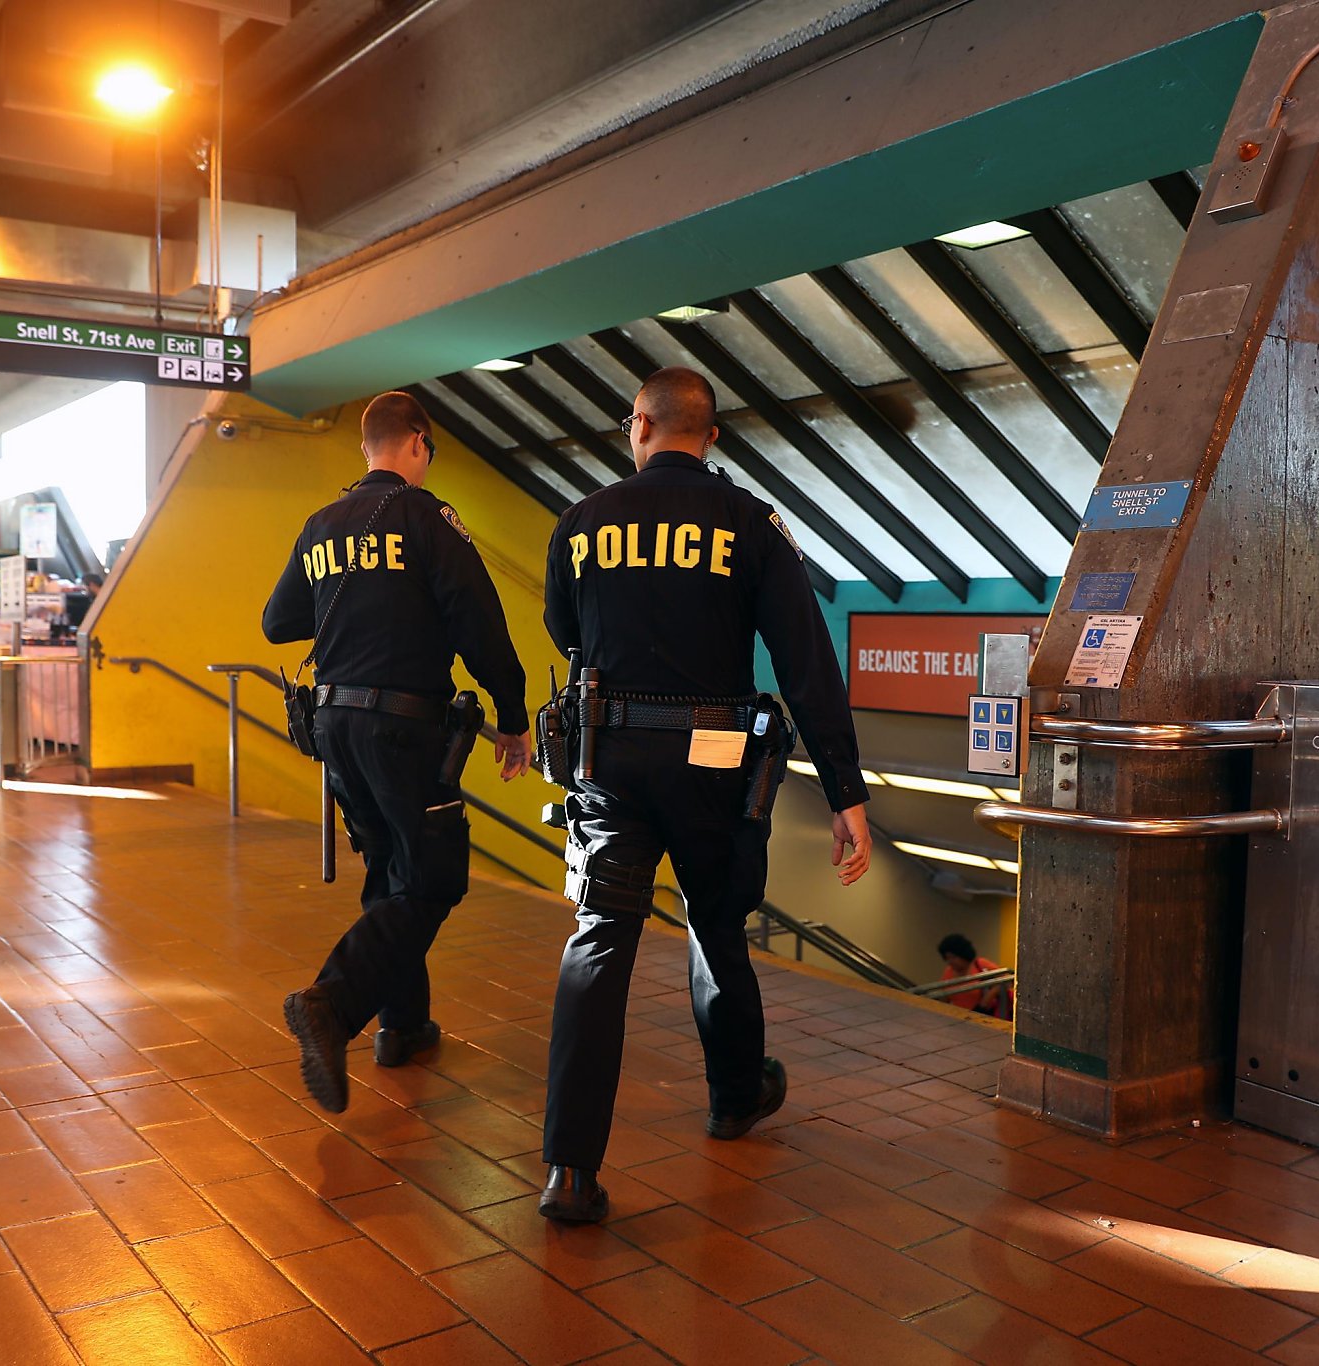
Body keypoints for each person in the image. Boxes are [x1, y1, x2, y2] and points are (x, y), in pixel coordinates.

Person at [536, 366, 873, 1223]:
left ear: (637, 424)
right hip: (715, 758)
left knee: (600, 938)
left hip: (608, 758)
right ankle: (732, 1096)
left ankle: (570, 1172)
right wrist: (846, 791)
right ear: (711, 434)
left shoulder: (581, 523)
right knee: (715, 921)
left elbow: (563, 630)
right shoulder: (751, 524)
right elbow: (805, 661)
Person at [263, 391, 531, 1112]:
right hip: (405, 730)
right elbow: (479, 621)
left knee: (390, 866)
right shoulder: (427, 516)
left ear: (365, 448)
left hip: (335, 728)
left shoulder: (322, 524)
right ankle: (333, 1002)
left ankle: (401, 1026)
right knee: (434, 880)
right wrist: (513, 714)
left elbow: (277, 621)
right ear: (417, 442)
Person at [937, 932, 1011, 1019]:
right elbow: (944, 997)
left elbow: (1007, 979)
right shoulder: (949, 971)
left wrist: (987, 998)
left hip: (983, 1017)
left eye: (953, 957)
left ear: (963, 954)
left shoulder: (980, 964)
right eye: (947, 958)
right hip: (958, 1019)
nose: (950, 961)